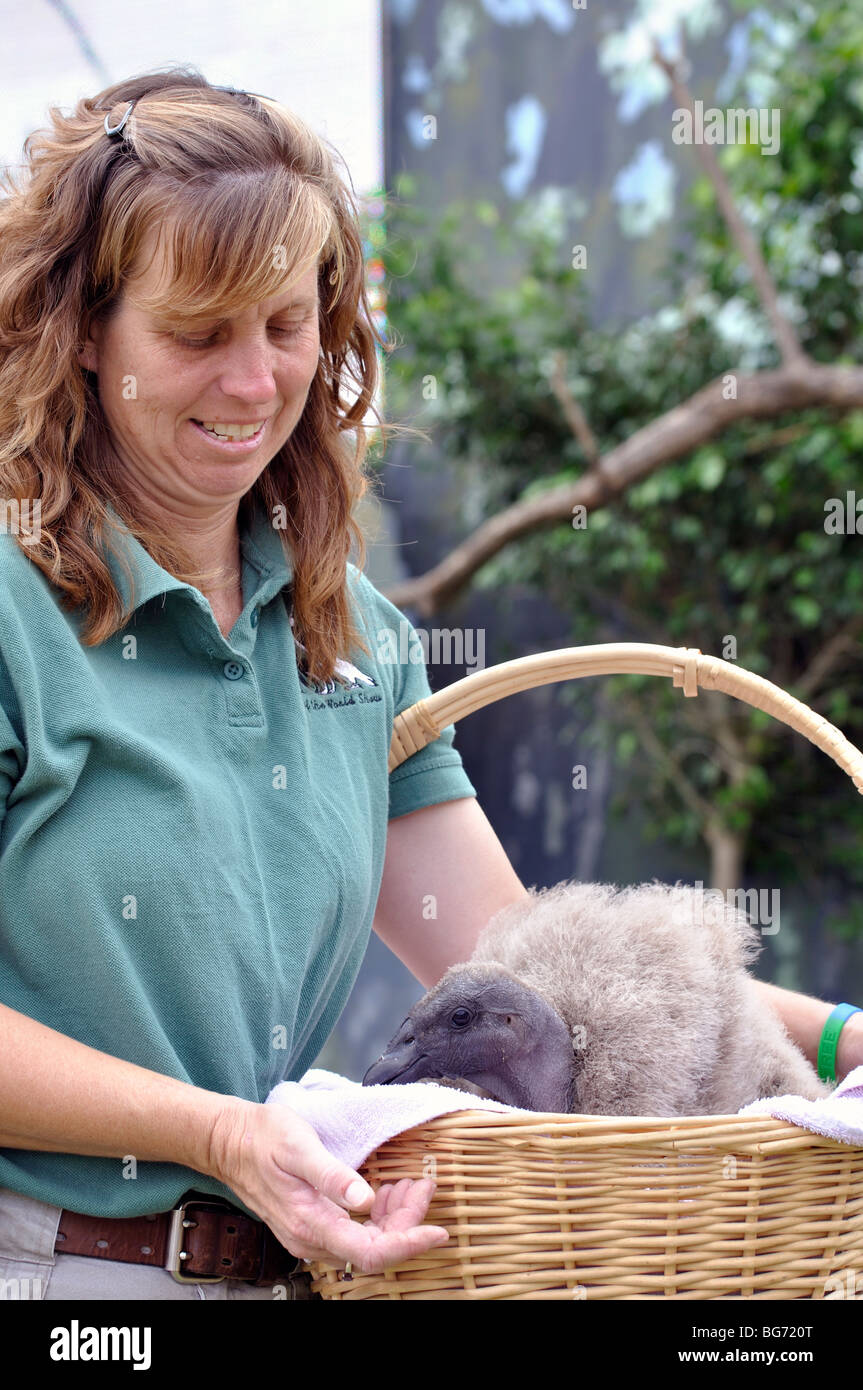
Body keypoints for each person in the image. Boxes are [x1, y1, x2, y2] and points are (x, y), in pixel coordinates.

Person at [0, 68, 859, 1303]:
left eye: (286, 325)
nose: (254, 383)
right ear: (85, 331)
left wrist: (835, 1036)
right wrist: (215, 1131)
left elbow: (536, 971)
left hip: (304, 1274)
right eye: (197, 334)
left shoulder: (352, 634)